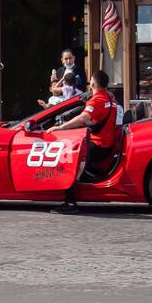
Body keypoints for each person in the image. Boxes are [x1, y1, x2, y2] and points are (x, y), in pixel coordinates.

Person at [49, 70, 118, 212]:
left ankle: (70, 203)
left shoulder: (97, 99)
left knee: (69, 160)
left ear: (92, 83)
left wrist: (61, 127)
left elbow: (83, 118)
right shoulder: (110, 98)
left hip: (98, 145)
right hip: (106, 143)